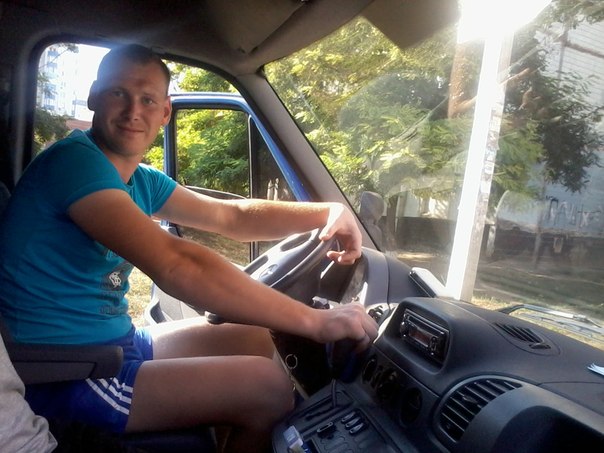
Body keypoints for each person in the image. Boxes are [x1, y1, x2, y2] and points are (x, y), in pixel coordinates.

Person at [0, 44, 378, 452]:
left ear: (165, 112)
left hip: (113, 344)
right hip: (63, 368)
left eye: (148, 99)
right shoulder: (75, 163)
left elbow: (230, 217)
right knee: (267, 388)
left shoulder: (140, 179)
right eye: (118, 93)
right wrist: (316, 322)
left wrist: (326, 212)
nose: (133, 110)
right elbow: (178, 265)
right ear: (94, 97)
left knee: (253, 336)